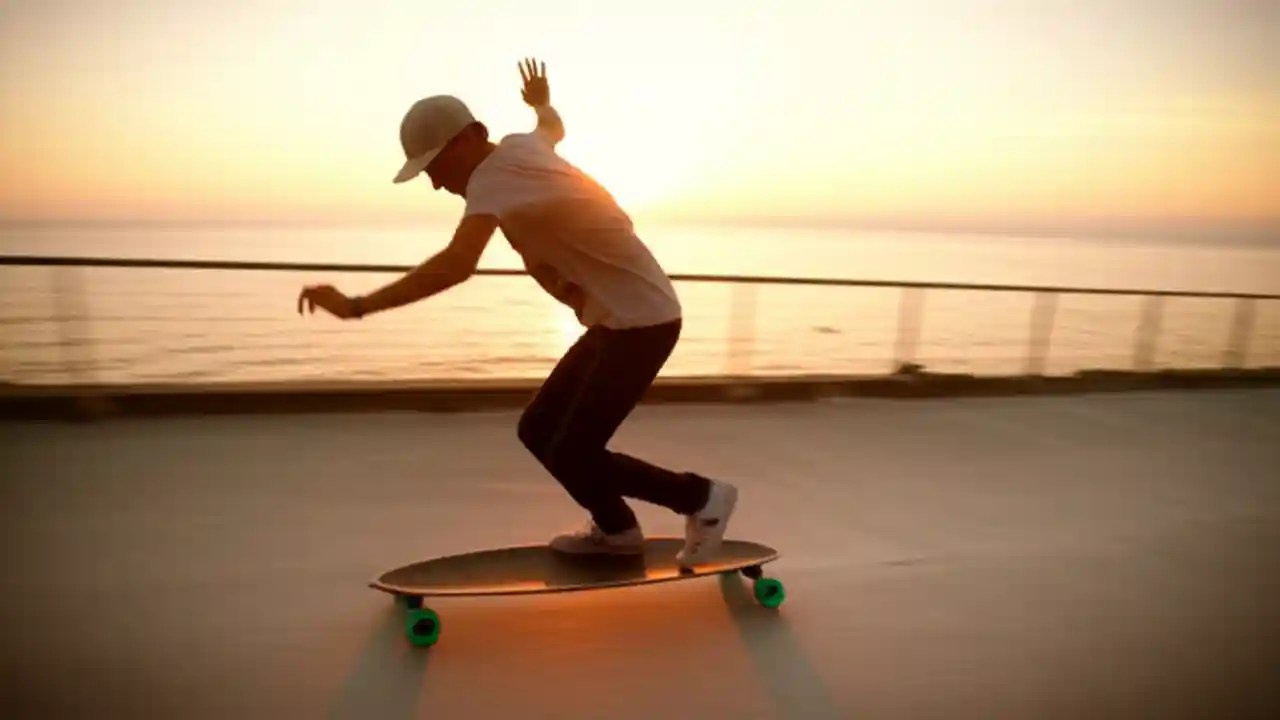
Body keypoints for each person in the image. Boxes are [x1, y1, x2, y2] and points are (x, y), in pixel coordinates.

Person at [296, 58, 738, 567]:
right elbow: (552, 129)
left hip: (641, 324)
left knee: (574, 449)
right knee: (538, 431)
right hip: (623, 318)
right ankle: (617, 529)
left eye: (434, 167)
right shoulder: (520, 146)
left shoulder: (491, 179)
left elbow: (457, 264)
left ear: (469, 138)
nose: (436, 184)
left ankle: (702, 499)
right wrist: (541, 103)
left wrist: (357, 307)